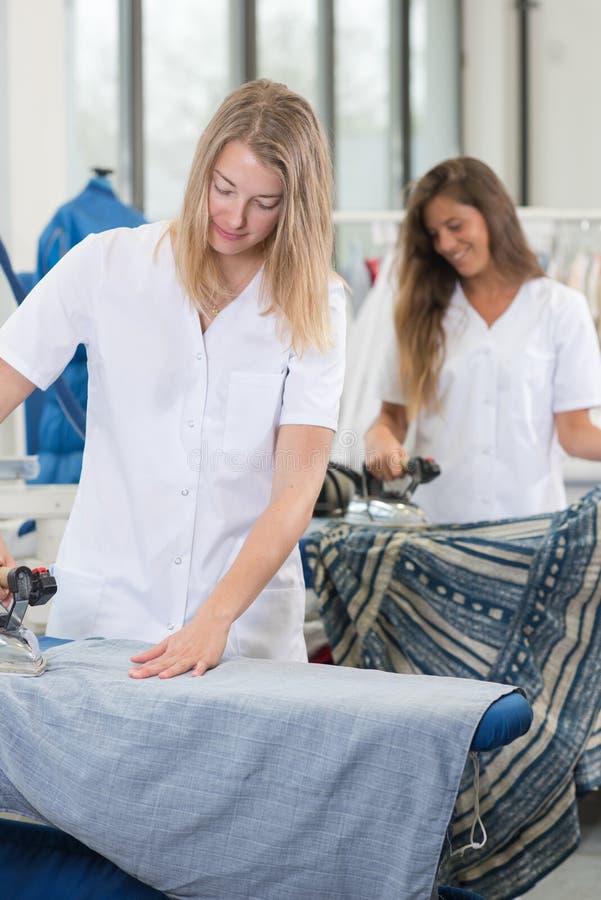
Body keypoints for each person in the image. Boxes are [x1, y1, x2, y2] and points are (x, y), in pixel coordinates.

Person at [0, 79, 346, 677]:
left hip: (244, 633)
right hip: (109, 621)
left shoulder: (317, 303)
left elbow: (297, 486)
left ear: (297, 206)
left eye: (265, 202)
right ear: (201, 171)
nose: (235, 217)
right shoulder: (106, 265)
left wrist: (215, 619)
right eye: (224, 188)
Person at [365, 156, 601, 524]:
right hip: (439, 529)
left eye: (455, 226)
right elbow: (392, 416)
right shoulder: (418, 312)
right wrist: (379, 438)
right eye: (434, 234)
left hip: (532, 531)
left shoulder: (561, 308)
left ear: (493, 213)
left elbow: (575, 433)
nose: (445, 243)